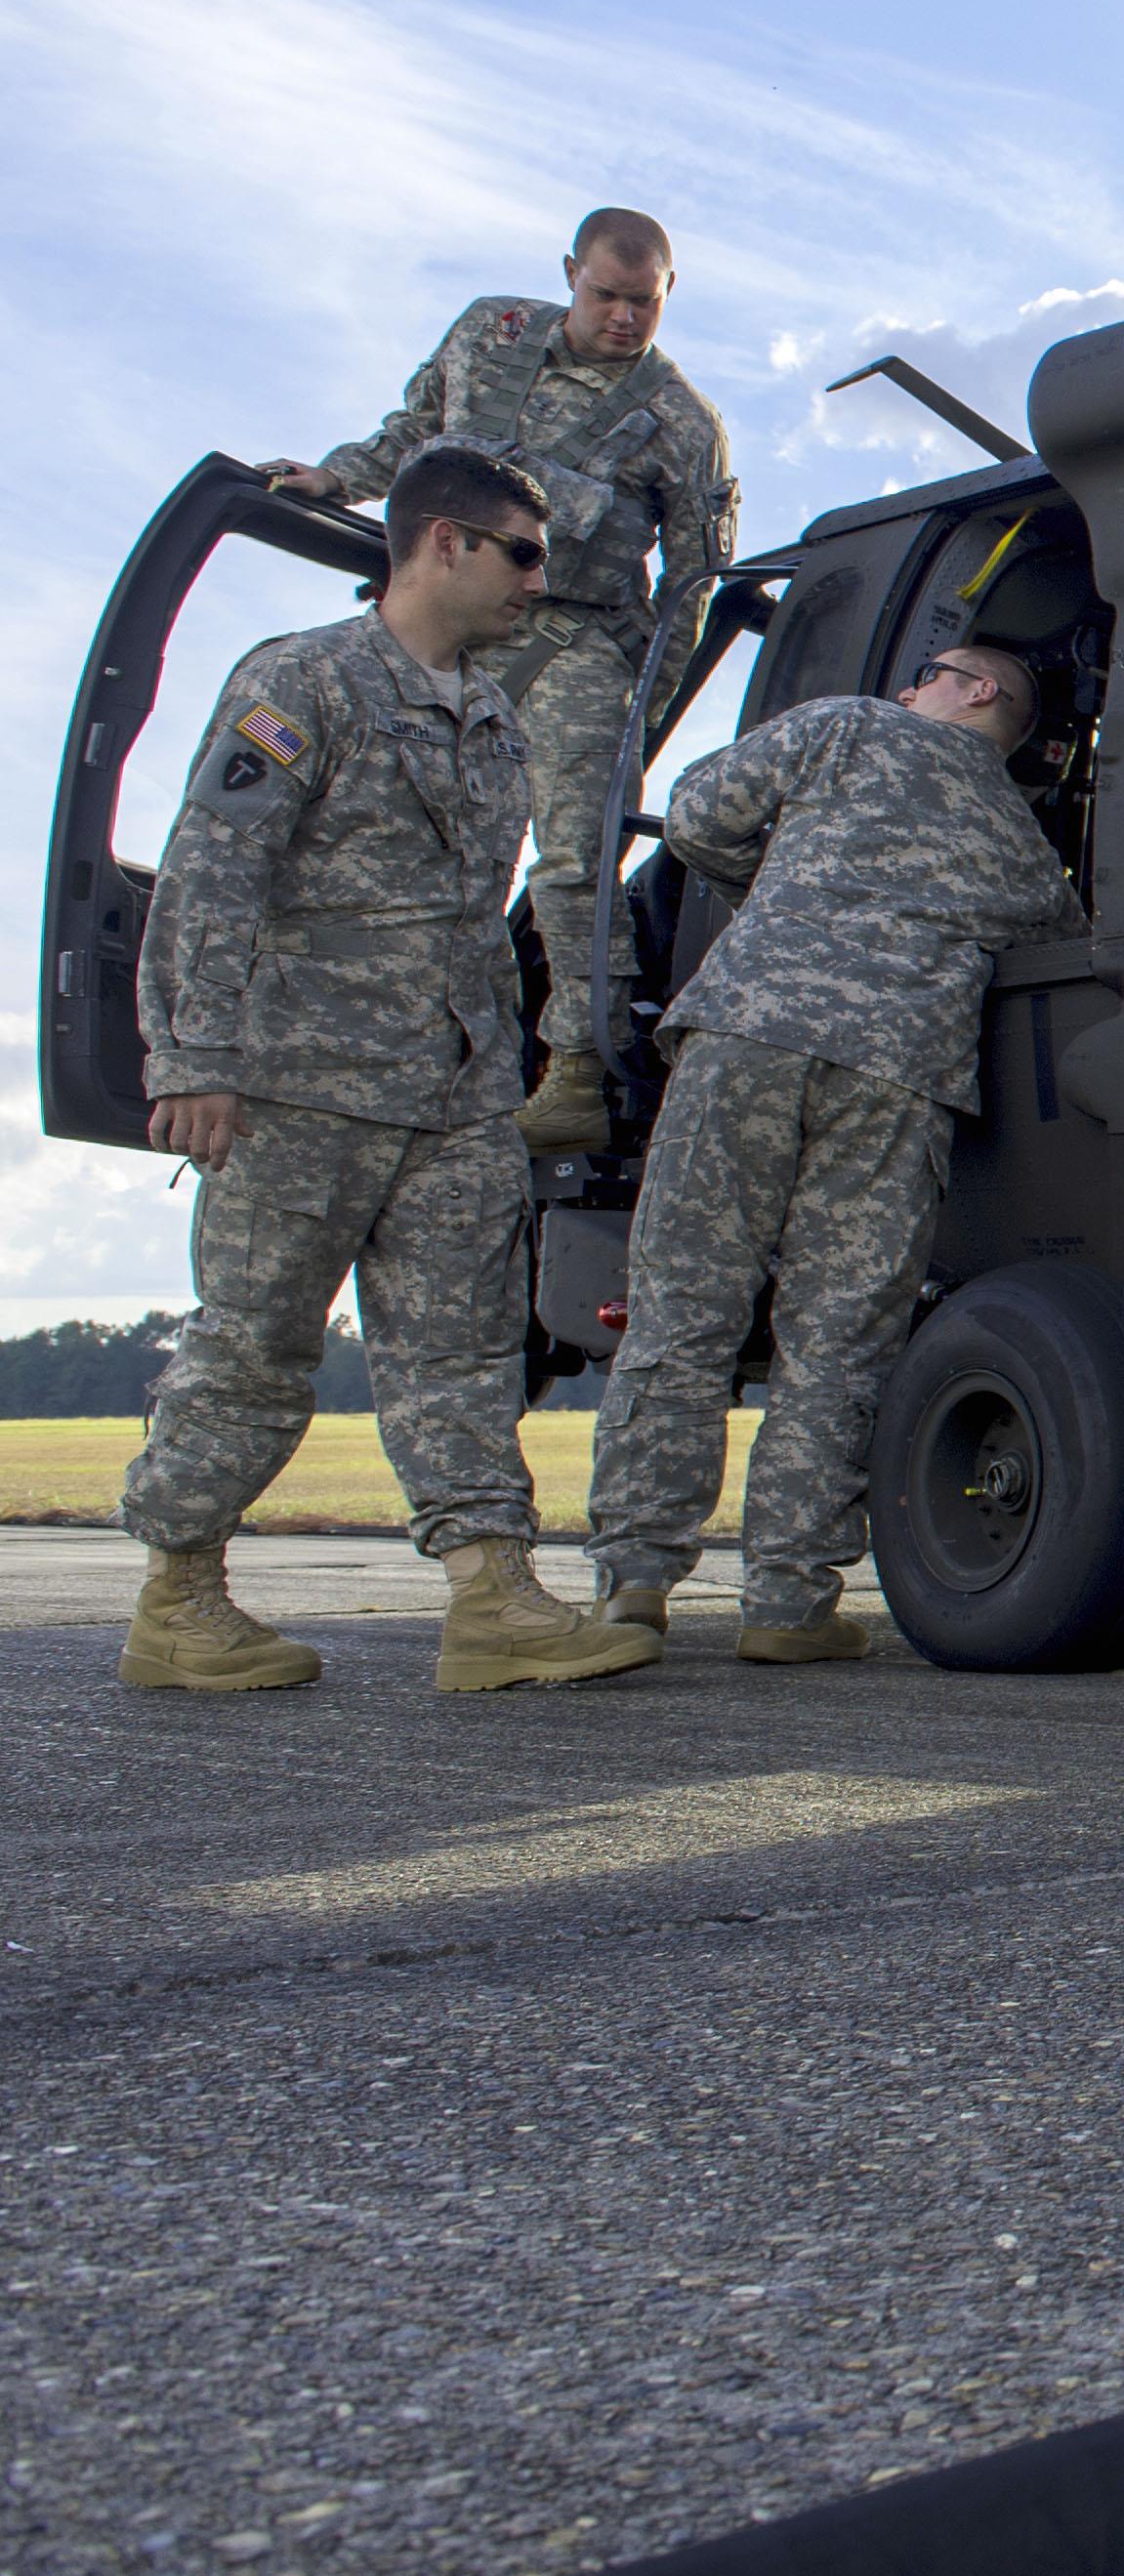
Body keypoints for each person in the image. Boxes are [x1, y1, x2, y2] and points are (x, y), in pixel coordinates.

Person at [117, 442, 666, 1695]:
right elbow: (214, 872)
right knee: (255, 1346)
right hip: (304, 1080)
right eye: (525, 555)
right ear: (444, 543)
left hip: (454, 1092)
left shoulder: (493, 712)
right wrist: (194, 1054)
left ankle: (492, 1600)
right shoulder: (303, 680)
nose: (541, 580)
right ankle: (180, 1593)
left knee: (464, 1351)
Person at [583, 646, 1090, 1659]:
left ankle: (634, 1582)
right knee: (839, 1338)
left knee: (686, 1311)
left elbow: (693, 813)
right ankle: (788, 1601)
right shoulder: (1021, 840)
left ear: (979, 689)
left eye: (932, 672)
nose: (911, 686)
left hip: (748, 1037)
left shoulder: (849, 725)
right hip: (898, 1073)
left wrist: (777, 881)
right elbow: (1066, 947)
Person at [261, 208, 737, 1154]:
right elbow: (415, 436)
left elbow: (693, 588)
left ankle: (579, 1068)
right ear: (570, 273)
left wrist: (640, 718)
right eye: (605, 296)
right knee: (394, 836)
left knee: (571, 860)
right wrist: (335, 481)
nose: (623, 320)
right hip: (450, 629)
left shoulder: (683, 426)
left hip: (581, 645)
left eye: (644, 303)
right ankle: (374, 1042)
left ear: (668, 295)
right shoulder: (492, 335)